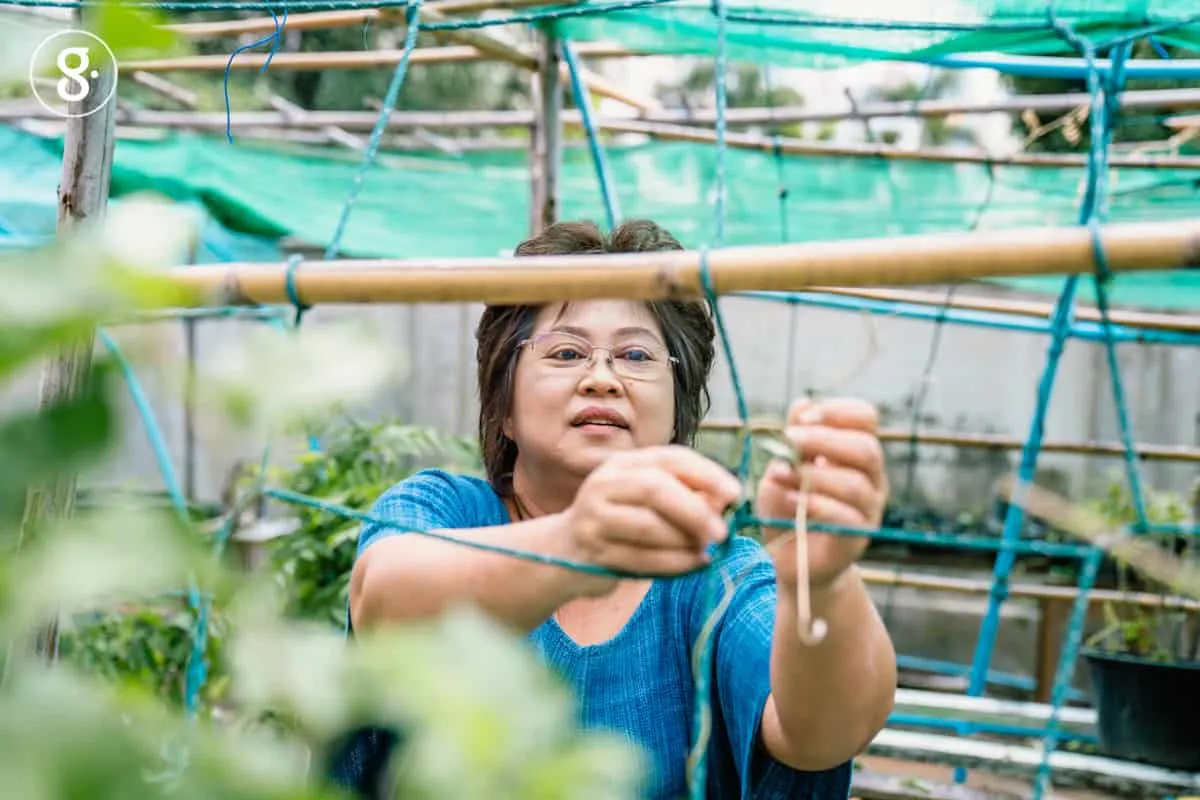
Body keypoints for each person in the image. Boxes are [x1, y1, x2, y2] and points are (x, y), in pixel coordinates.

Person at [338, 220, 897, 799]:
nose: (602, 378)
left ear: (677, 415)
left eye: (634, 354)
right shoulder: (444, 510)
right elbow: (384, 605)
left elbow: (824, 736)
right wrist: (578, 542)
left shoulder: (715, 580)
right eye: (566, 352)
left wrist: (823, 579)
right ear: (503, 406)